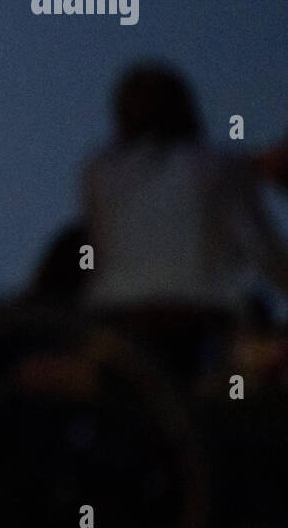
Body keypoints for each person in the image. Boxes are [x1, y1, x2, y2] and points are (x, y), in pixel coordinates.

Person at [81, 63, 288, 380]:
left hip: (115, 325)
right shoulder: (220, 166)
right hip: (202, 326)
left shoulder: (98, 171)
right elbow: (265, 254)